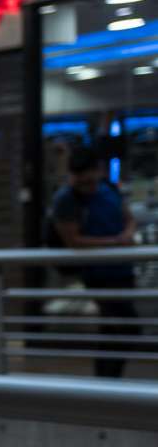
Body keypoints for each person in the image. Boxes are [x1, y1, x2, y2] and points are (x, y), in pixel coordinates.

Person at [51, 146, 143, 378]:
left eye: (91, 181)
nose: (88, 187)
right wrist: (115, 241)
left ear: (99, 171)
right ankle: (107, 381)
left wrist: (127, 236)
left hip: (123, 269)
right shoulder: (66, 199)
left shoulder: (108, 188)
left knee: (114, 330)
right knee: (125, 327)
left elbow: (129, 218)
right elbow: (72, 239)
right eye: (82, 182)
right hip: (99, 274)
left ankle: (107, 382)